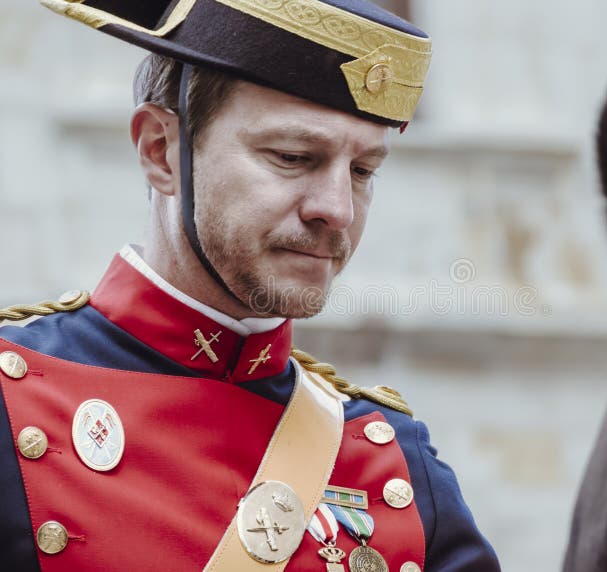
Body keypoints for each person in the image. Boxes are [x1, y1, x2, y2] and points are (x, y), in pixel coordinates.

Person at [0, 1, 501, 571]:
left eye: (362, 171)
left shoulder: (395, 459)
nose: (337, 209)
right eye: (292, 157)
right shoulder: (10, 399)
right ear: (160, 150)